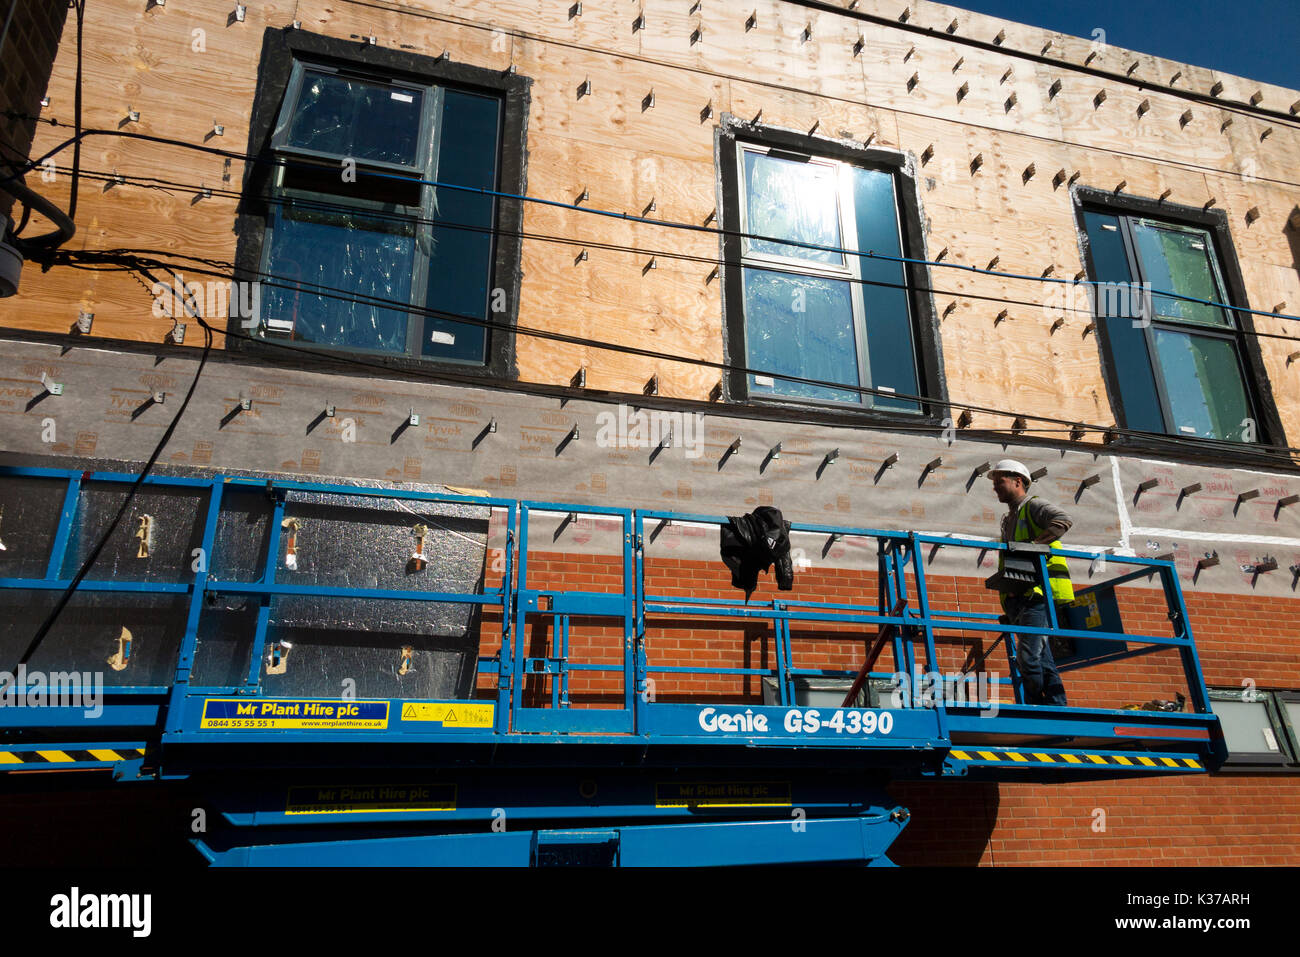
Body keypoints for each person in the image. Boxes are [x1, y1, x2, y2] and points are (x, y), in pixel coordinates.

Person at [989, 459, 1072, 706]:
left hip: (1037, 594)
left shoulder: (1033, 506)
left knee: (1028, 658)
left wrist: (1033, 548)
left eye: (999, 482)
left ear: (1018, 481)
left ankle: (1035, 706)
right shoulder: (1008, 519)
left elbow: (1062, 520)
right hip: (1020, 597)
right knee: (1040, 655)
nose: (995, 487)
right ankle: (1056, 705)